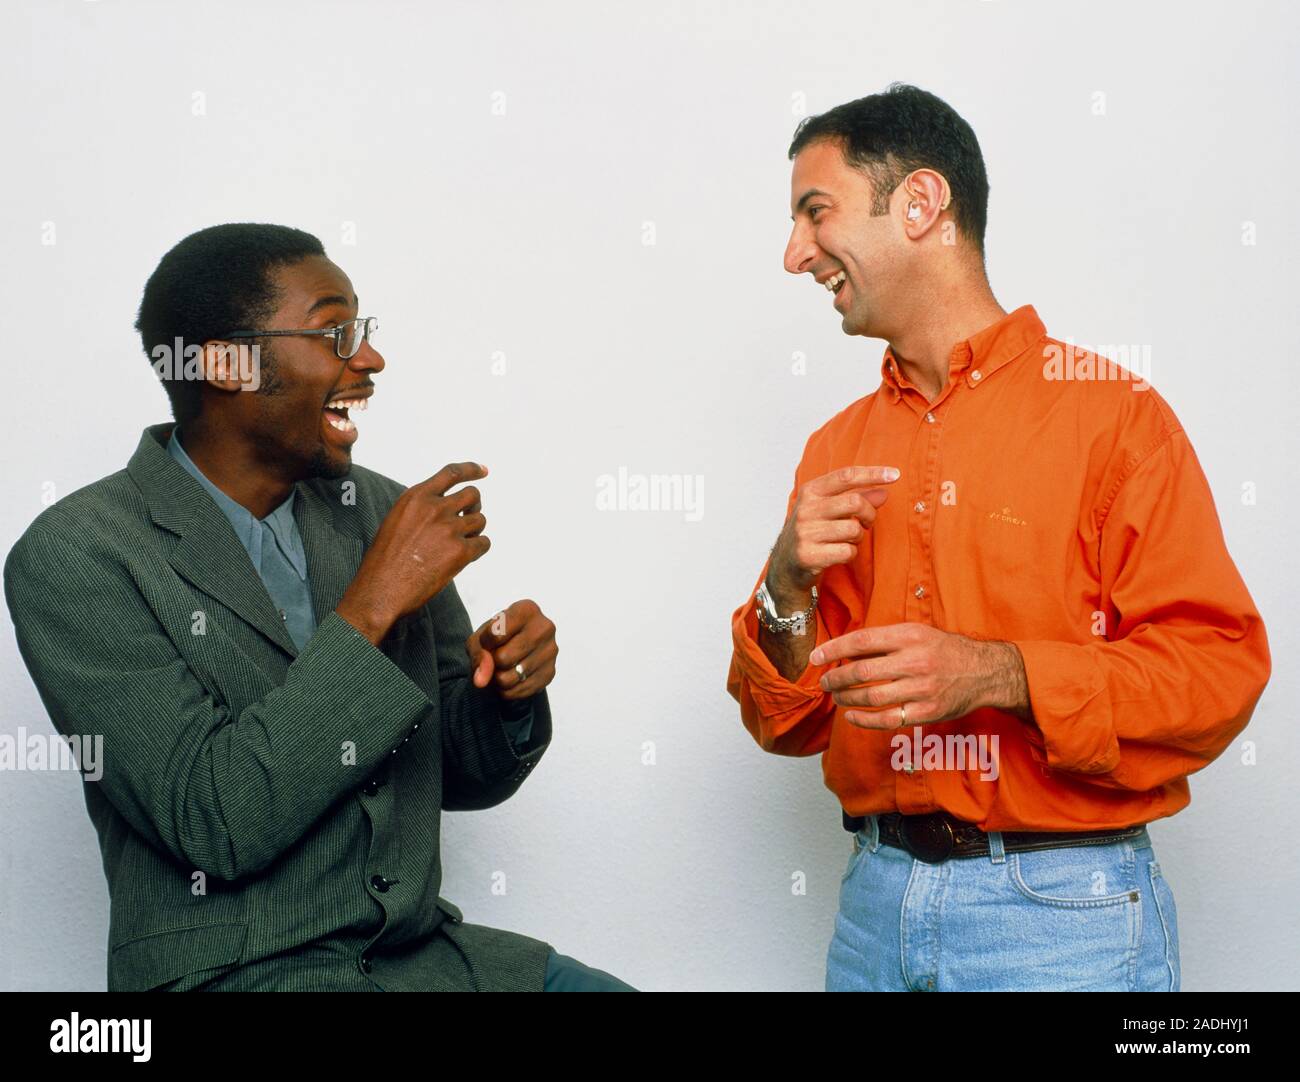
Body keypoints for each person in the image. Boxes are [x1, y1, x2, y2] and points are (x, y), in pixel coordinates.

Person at [726, 84, 1270, 992]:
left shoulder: (1116, 422)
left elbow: (1218, 673)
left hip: (1064, 919)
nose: (794, 256)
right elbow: (787, 722)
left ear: (921, 203)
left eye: (815, 214)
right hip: (873, 910)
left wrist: (997, 674)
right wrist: (784, 586)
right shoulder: (837, 447)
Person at [5, 223, 632, 991]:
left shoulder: (376, 508)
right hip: (239, 976)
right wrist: (371, 607)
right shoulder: (77, 555)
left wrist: (506, 695)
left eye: (361, 330)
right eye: (335, 331)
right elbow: (213, 820)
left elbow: (459, 778)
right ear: (223, 363)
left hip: (422, 963)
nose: (368, 358)